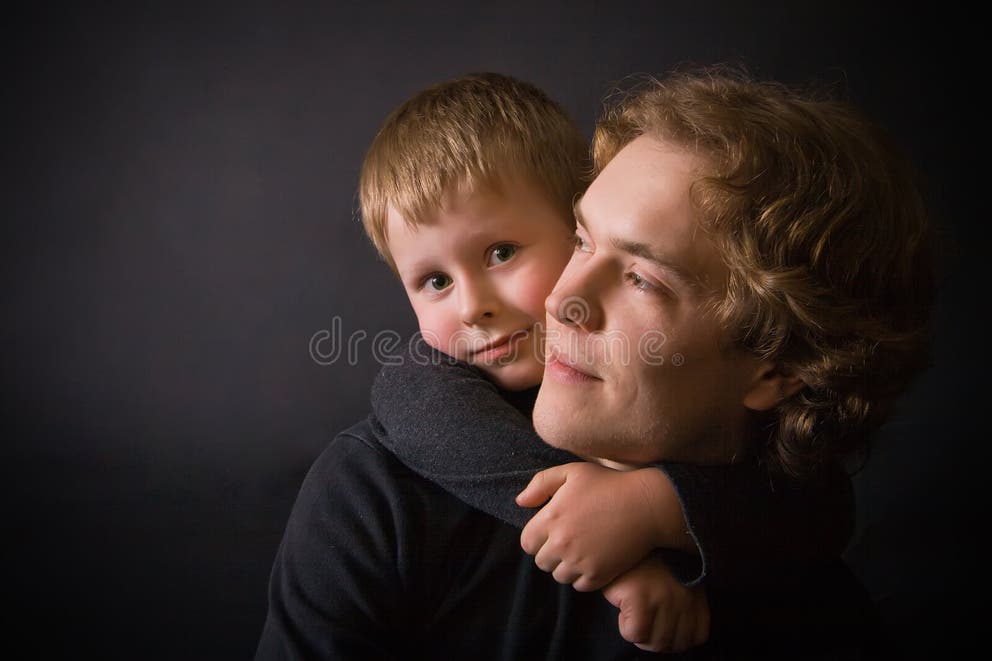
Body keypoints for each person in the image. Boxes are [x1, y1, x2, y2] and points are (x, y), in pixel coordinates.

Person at [257, 69, 932, 659]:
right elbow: (410, 391)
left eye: (642, 277)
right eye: (584, 239)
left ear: (775, 370)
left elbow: (820, 507)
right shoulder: (379, 494)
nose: (562, 299)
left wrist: (668, 508)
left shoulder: (795, 563)